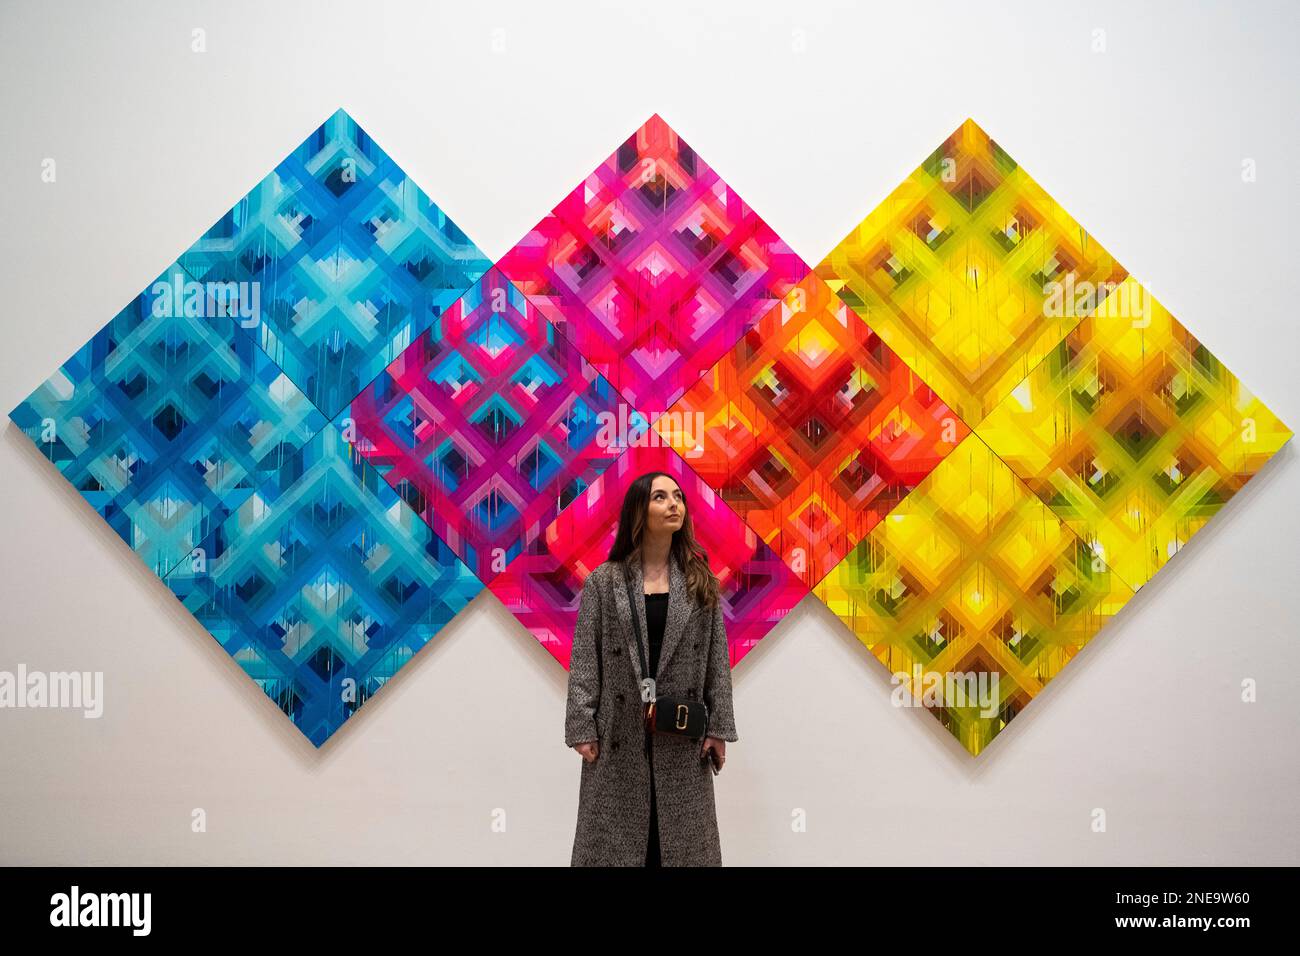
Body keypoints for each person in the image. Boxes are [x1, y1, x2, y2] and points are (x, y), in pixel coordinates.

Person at [564, 472, 739, 866]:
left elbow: (717, 661)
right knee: (617, 847)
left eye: (678, 496)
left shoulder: (698, 581)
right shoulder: (604, 582)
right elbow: (586, 658)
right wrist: (581, 727)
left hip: (681, 731)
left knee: (678, 846)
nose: (673, 504)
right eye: (660, 497)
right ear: (639, 511)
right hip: (619, 731)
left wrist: (718, 728)